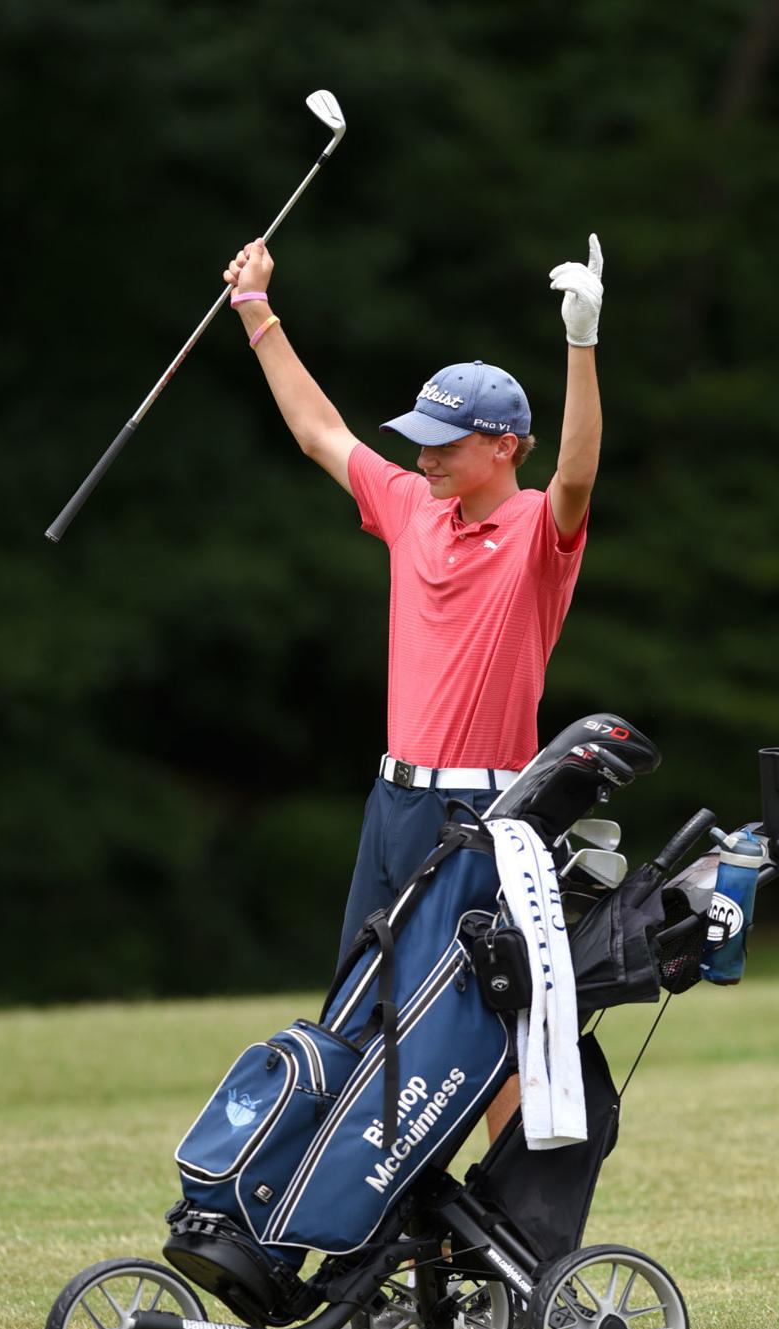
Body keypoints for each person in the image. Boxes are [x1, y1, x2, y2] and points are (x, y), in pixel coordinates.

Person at [223, 234, 604, 1143]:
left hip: (483, 813)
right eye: (421, 443)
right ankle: (411, 1252)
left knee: (477, 1022)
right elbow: (322, 431)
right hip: (394, 803)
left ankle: (522, 1224)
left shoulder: (533, 532)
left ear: (504, 445)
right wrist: (256, 312)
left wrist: (581, 344)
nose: (425, 457)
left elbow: (578, 474)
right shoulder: (410, 508)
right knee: (366, 1013)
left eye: (445, 443)